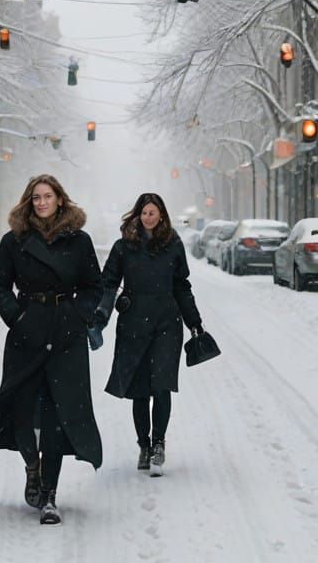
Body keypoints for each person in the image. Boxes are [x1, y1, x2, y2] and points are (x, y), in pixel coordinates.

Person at [0, 174, 103, 525]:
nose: (41, 202)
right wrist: (18, 317)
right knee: (21, 409)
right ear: (29, 201)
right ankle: (31, 466)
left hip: (66, 335)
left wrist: (79, 314)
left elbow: (94, 285)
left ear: (60, 200)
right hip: (27, 334)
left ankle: (49, 495)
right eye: (36, 197)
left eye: (47, 196)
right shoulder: (15, 240)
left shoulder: (79, 241)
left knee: (58, 415)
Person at [92, 192, 204, 478]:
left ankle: (158, 445)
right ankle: (143, 445)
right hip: (133, 324)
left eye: (153, 212)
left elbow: (182, 286)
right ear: (138, 215)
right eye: (144, 212)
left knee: (162, 385)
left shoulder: (173, 245)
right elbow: (108, 284)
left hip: (167, 322)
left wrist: (194, 323)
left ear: (162, 215)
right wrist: (101, 317)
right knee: (139, 389)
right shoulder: (123, 247)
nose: (148, 217)